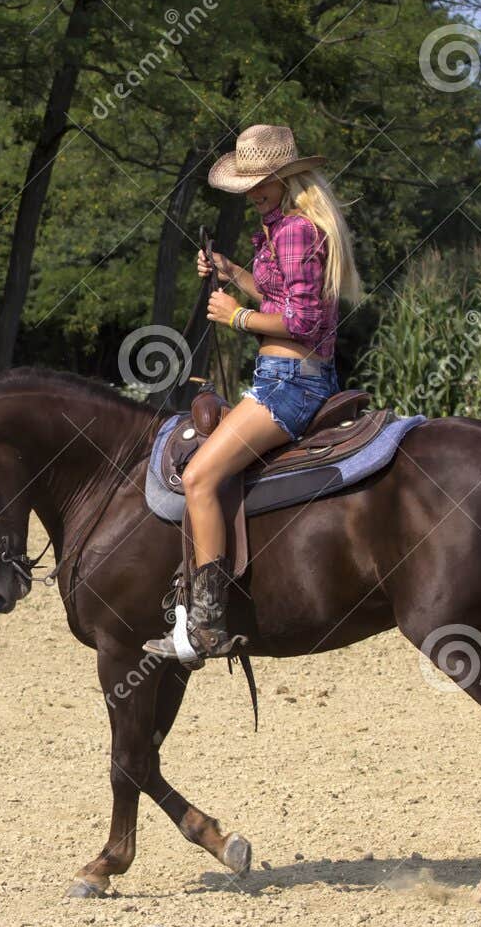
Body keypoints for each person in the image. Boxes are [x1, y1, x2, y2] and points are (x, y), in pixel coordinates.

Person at [144, 124, 363, 664]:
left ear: (287, 178)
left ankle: (206, 623)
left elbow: (306, 322)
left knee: (198, 476)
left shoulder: (293, 230)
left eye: (262, 182)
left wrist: (236, 317)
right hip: (282, 378)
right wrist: (232, 271)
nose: (254, 192)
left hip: (291, 384)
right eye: (249, 184)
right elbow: (280, 293)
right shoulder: (285, 228)